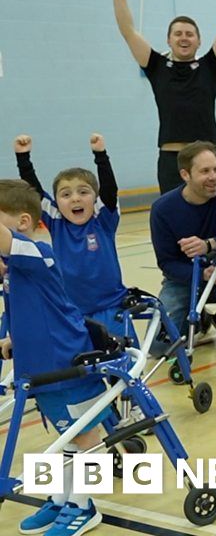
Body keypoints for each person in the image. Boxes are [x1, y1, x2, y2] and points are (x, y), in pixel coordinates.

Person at [0, 179, 110, 535]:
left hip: (66, 363)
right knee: (66, 435)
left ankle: (84, 506)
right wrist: (13, 338)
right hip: (39, 369)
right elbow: (29, 308)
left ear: (22, 223)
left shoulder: (37, 252)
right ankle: (62, 498)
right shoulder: (12, 267)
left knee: (85, 436)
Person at [109, 0, 216, 193]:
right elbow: (128, 31)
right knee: (175, 215)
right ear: (168, 40)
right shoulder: (156, 66)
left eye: (190, 34)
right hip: (172, 160)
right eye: (178, 34)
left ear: (199, 41)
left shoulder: (210, 66)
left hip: (208, 156)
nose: (184, 38)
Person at [13, 134, 135, 341]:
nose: (75, 198)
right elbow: (34, 191)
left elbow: (109, 189)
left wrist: (100, 155)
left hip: (111, 307)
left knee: (125, 358)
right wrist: (23, 158)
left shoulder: (102, 220)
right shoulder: (56, 221)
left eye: (83, 192)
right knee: (84, 360)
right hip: (73, 312)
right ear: (56, 202)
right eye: (66, 194)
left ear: (95, 199)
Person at [149, 141, 216, 354]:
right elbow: (166, 262)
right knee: (159, 347)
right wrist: (202, 274)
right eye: (205, 171)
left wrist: (210, 244)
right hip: (184, 279)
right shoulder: (163, 209)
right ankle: (200, 318)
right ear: (185, 175)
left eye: (215, 169)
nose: (213, 177)